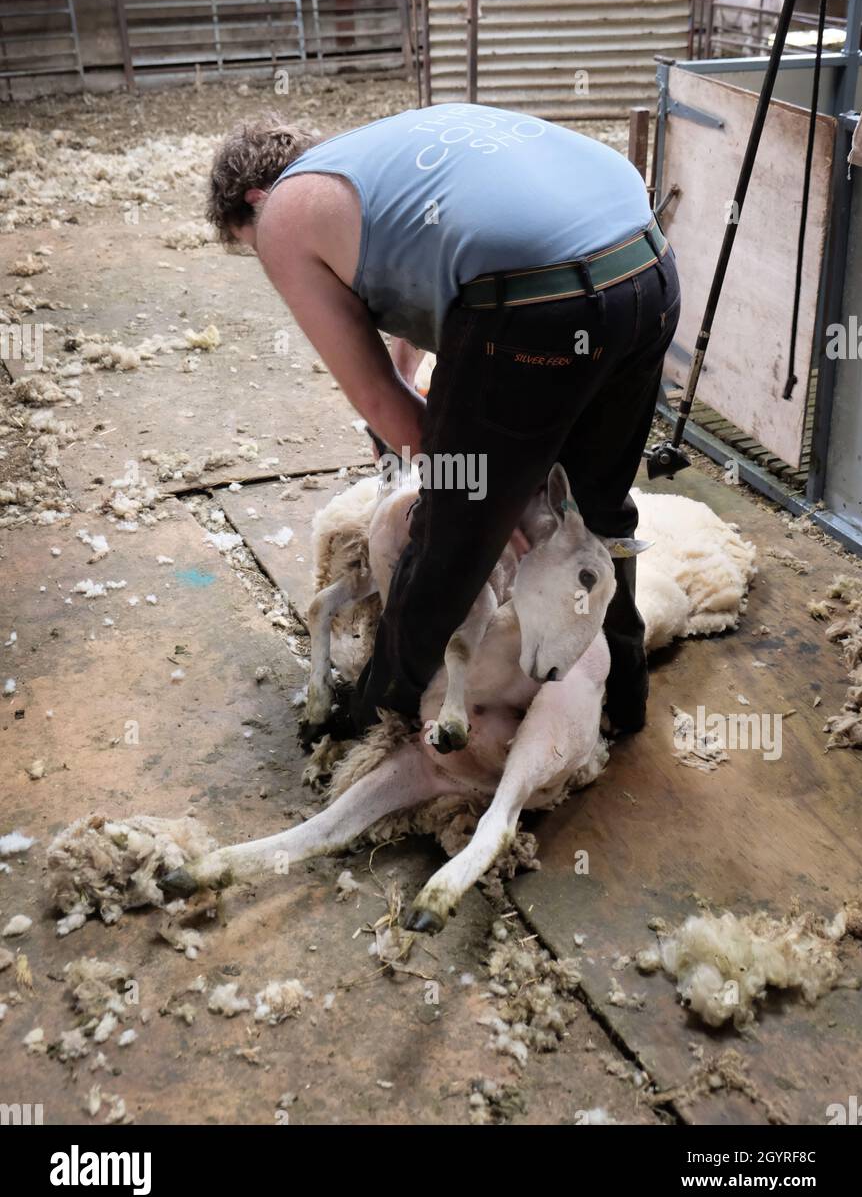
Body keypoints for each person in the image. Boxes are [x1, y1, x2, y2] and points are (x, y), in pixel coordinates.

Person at [206, 102, 680, 738]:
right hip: (648, 270)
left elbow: (382, 400)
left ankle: (377, 721)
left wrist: (488, 497)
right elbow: (423, 321)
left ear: (256, 201)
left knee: (451, 534)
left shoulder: (285, 215)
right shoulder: (387, 160)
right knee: (594, 507)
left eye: (248, 245)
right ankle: (622, 695)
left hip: (539, 303)